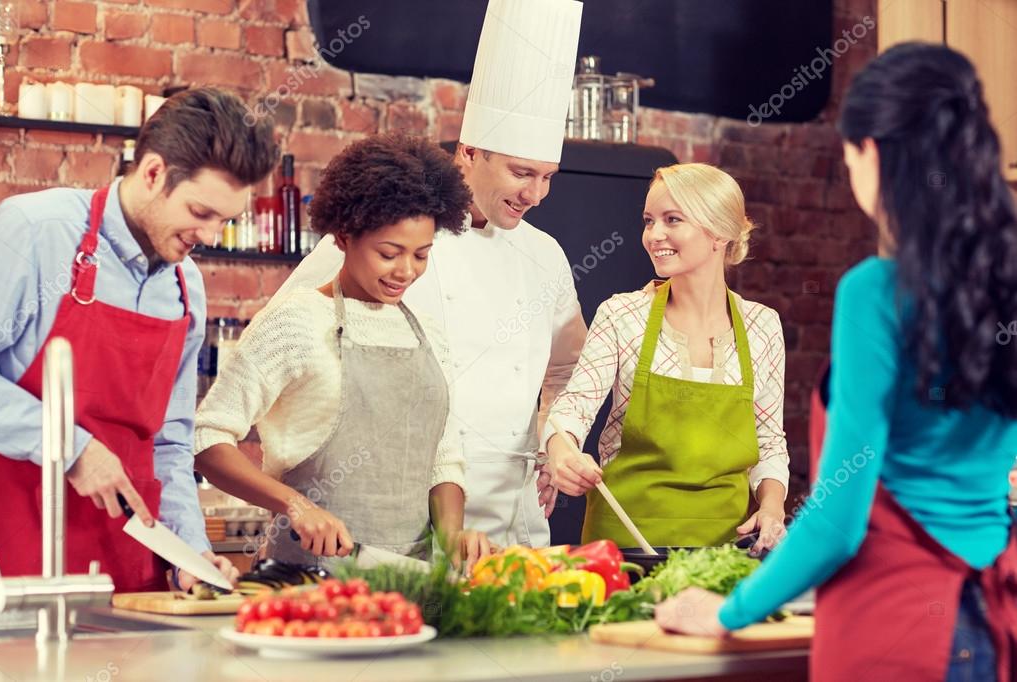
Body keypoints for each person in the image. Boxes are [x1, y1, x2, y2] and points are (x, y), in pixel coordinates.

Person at [655, 43, 1017, 682]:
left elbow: (839, 520)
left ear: (872, 151)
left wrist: (730, 611)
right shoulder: (1005, 288)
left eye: (849, 156)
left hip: (895, 628)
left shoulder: (876, 293)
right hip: (988, 618)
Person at [275, 0, 587, 548]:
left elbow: (567, 371)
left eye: (548, 177)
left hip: (511, 523)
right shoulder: (389, 231)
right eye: (521, 173)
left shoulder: (547, 256)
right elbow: (286, 340)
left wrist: (555, 437)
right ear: (469, 152)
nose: (536, 194)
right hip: (398, 512)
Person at [0, 88, 279, 591]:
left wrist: (191, 553)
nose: (211, 236)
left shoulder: (186, 289)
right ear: (152, 173)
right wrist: (69, 446)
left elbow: (169, 442)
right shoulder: (36, 231)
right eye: (201, 212)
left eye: (225, 220)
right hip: (14, 558)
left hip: (126, 573)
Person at [194, 133, 491, 570]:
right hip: (311, 579)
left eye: (421, 255)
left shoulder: (426, 332)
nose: (406, 271)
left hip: (412, 583)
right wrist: (296, 505)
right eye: (389, 253)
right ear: (344, 237)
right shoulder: (295, 321)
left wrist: (453, 539)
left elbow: (443, 460)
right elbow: (207, 438)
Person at [543, 163, 790, 553]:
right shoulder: (622, 315)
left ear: (719, 232)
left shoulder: (763, 326)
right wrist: (561, 450)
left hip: (724, 548)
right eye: (648, 221)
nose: (654, 235)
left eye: (672, 219)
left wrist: (772, 508)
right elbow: (573, 407)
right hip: (625, 544)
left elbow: (769, 440)